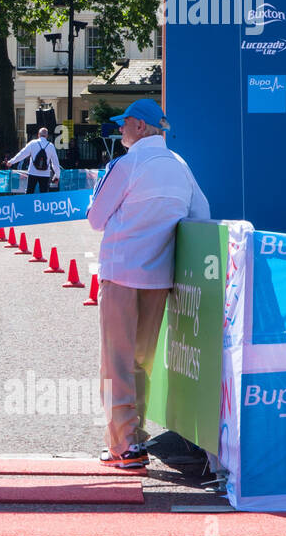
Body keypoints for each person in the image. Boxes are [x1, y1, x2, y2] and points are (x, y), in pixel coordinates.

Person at [86, 99, 210, 469]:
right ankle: (134, 439)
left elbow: (95, 219)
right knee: (142, 361)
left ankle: (124, 445)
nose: (119, 130)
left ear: (140, 126)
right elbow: (200, 214)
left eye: (124, 124)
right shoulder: (180, 166)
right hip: (159, 276)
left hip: (122, 271)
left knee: (116, 362)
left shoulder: (127, 164)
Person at [6, 127, 60, 193]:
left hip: (33, 172)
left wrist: (11, 161)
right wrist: (57, 175)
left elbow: (22, 154)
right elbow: (55, 163)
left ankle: (28, 203)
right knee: (44, 194)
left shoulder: (33, 143)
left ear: (38, 135)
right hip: (45, 174)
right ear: (47, 136)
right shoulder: (51, 146)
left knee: (30, 192)